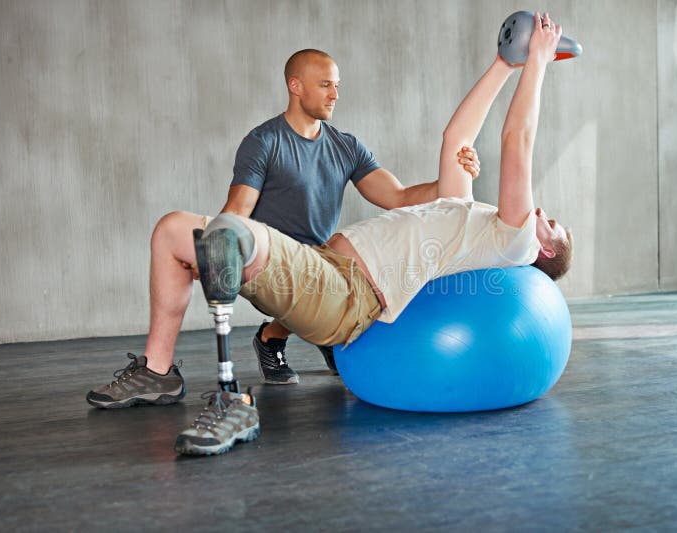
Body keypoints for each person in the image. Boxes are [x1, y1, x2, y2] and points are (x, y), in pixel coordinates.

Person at [173, 13, 574, 456]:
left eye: (549, 222)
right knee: (198, 231)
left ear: (543, 247)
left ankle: (236, 380)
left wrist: (537, 60)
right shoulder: (468, 212)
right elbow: (455, 136)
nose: (539, 211)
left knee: (223, 233)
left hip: (346, 288)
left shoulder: (513, 241)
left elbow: (517, 139)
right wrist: (504, 64)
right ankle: (243, 321)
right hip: (329, 264)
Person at [86, 50, 480, 408]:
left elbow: (399, 196)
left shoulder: (346, 147)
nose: (335, 95)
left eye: (337, 86)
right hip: (271, 263)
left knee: (342, 274)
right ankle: (159, 372)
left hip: (324, 270)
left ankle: (284, 337)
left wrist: (453, 176)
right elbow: (237, 209)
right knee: (176, 232)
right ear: (296, 86)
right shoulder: (264, 142)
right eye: (325, 84)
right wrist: (208, 250)